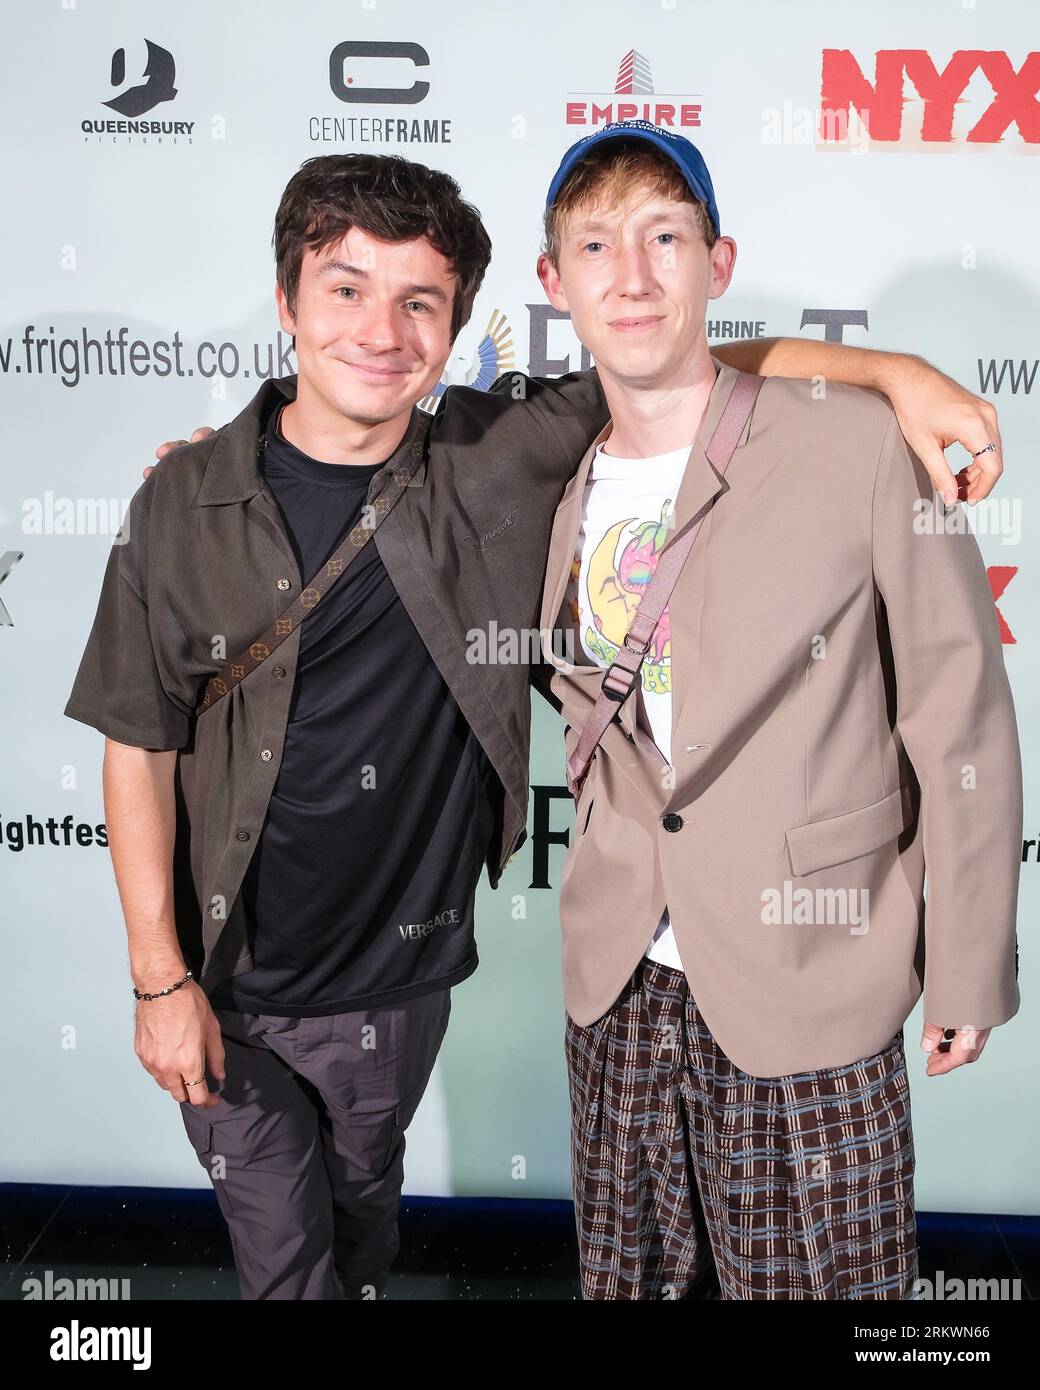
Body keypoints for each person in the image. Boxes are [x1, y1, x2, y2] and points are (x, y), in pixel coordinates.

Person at [68, 148, 1005, 1301]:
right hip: (408, 981)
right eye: (346, 291)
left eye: (418, 302)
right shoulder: (230, 494)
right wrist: (158, 979)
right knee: (359, 1269)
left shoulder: (528, 458)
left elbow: (674, 364)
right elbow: (138, 736)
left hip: (631, 979)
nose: (379, 329)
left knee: (809, 1284)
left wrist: (890, 372)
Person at [533, 121, 1022, 1300]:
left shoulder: (856, 447)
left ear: (719, 259)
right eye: (596, 246)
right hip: (619, 978)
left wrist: (966, 962)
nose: (633, 276)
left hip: (813, 966)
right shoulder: (545, 460)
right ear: (553, 282)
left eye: (665, 238)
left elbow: (958, 716)